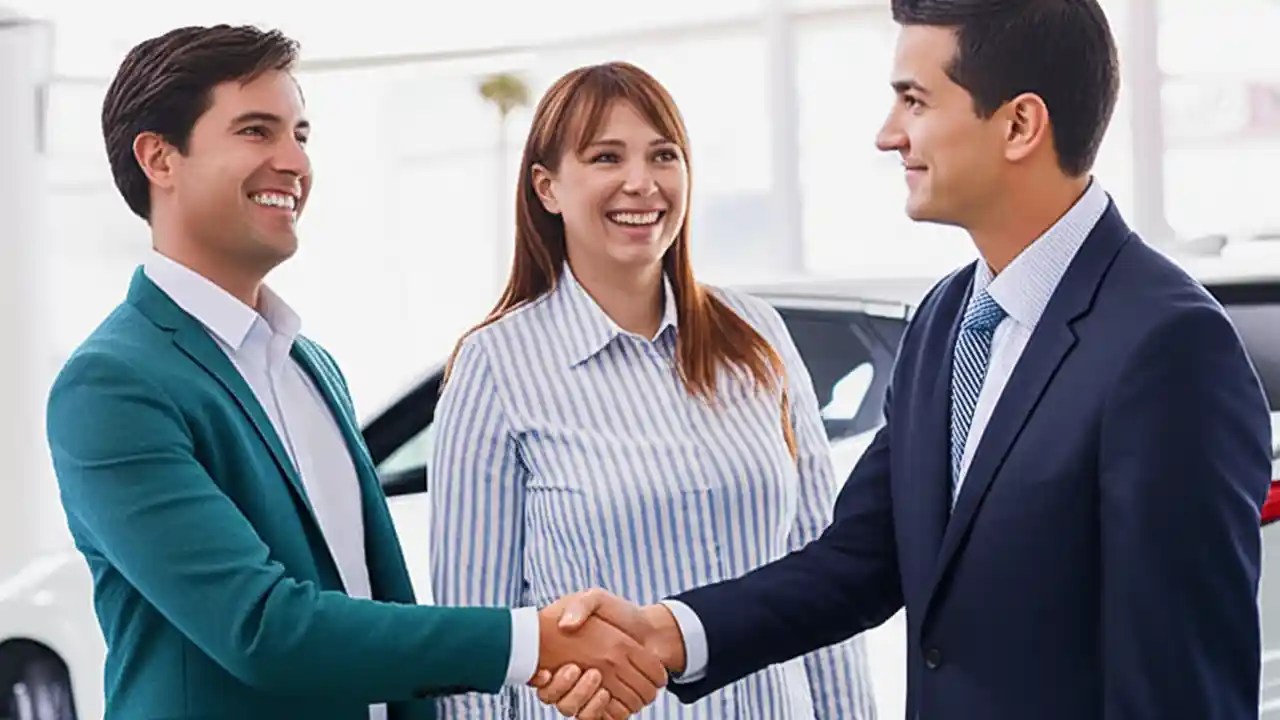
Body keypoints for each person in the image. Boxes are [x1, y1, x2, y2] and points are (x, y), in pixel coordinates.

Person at [537, 1, 1275, 718]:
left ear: (1019, 124)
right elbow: (862, 560)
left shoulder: (1169, 349)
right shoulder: (946, 320)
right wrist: (667, 633)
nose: (890, 135)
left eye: (915, 101)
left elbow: (1182, 689)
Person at [44, 25, 664, 720]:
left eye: (301, 135)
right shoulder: (112, 384)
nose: (294, 162)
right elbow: (263, 628)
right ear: (160, 157)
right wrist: (534, 641)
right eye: (256, 131)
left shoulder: (311, 366)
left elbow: (374, 601)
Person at [430, 61, 877, 719]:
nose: (641, 183)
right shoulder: (495, 365)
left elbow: (824, 582)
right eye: (606, 157)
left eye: (663, 155)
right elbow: (477, 642)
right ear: (547, 188)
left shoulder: (757, 336)